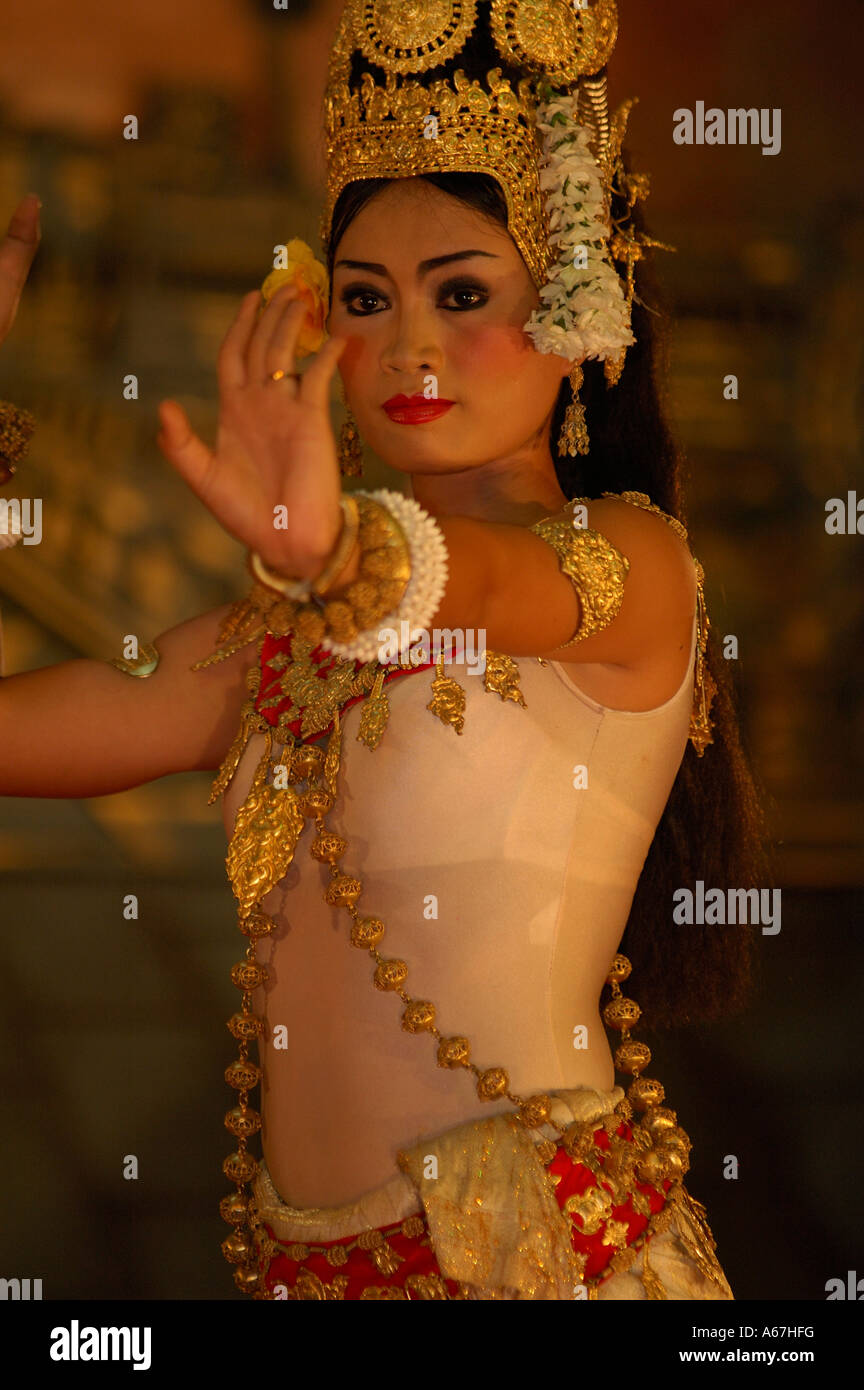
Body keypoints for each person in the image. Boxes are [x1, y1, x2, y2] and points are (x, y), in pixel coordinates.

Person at [0, 0, 765, 1300]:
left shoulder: (631, 567)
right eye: (367, 297)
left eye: (464, 293)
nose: (409, 343)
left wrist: (344, 554)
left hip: (547, 1264)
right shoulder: (279, 635)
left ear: (581, 314)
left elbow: (488, 584)